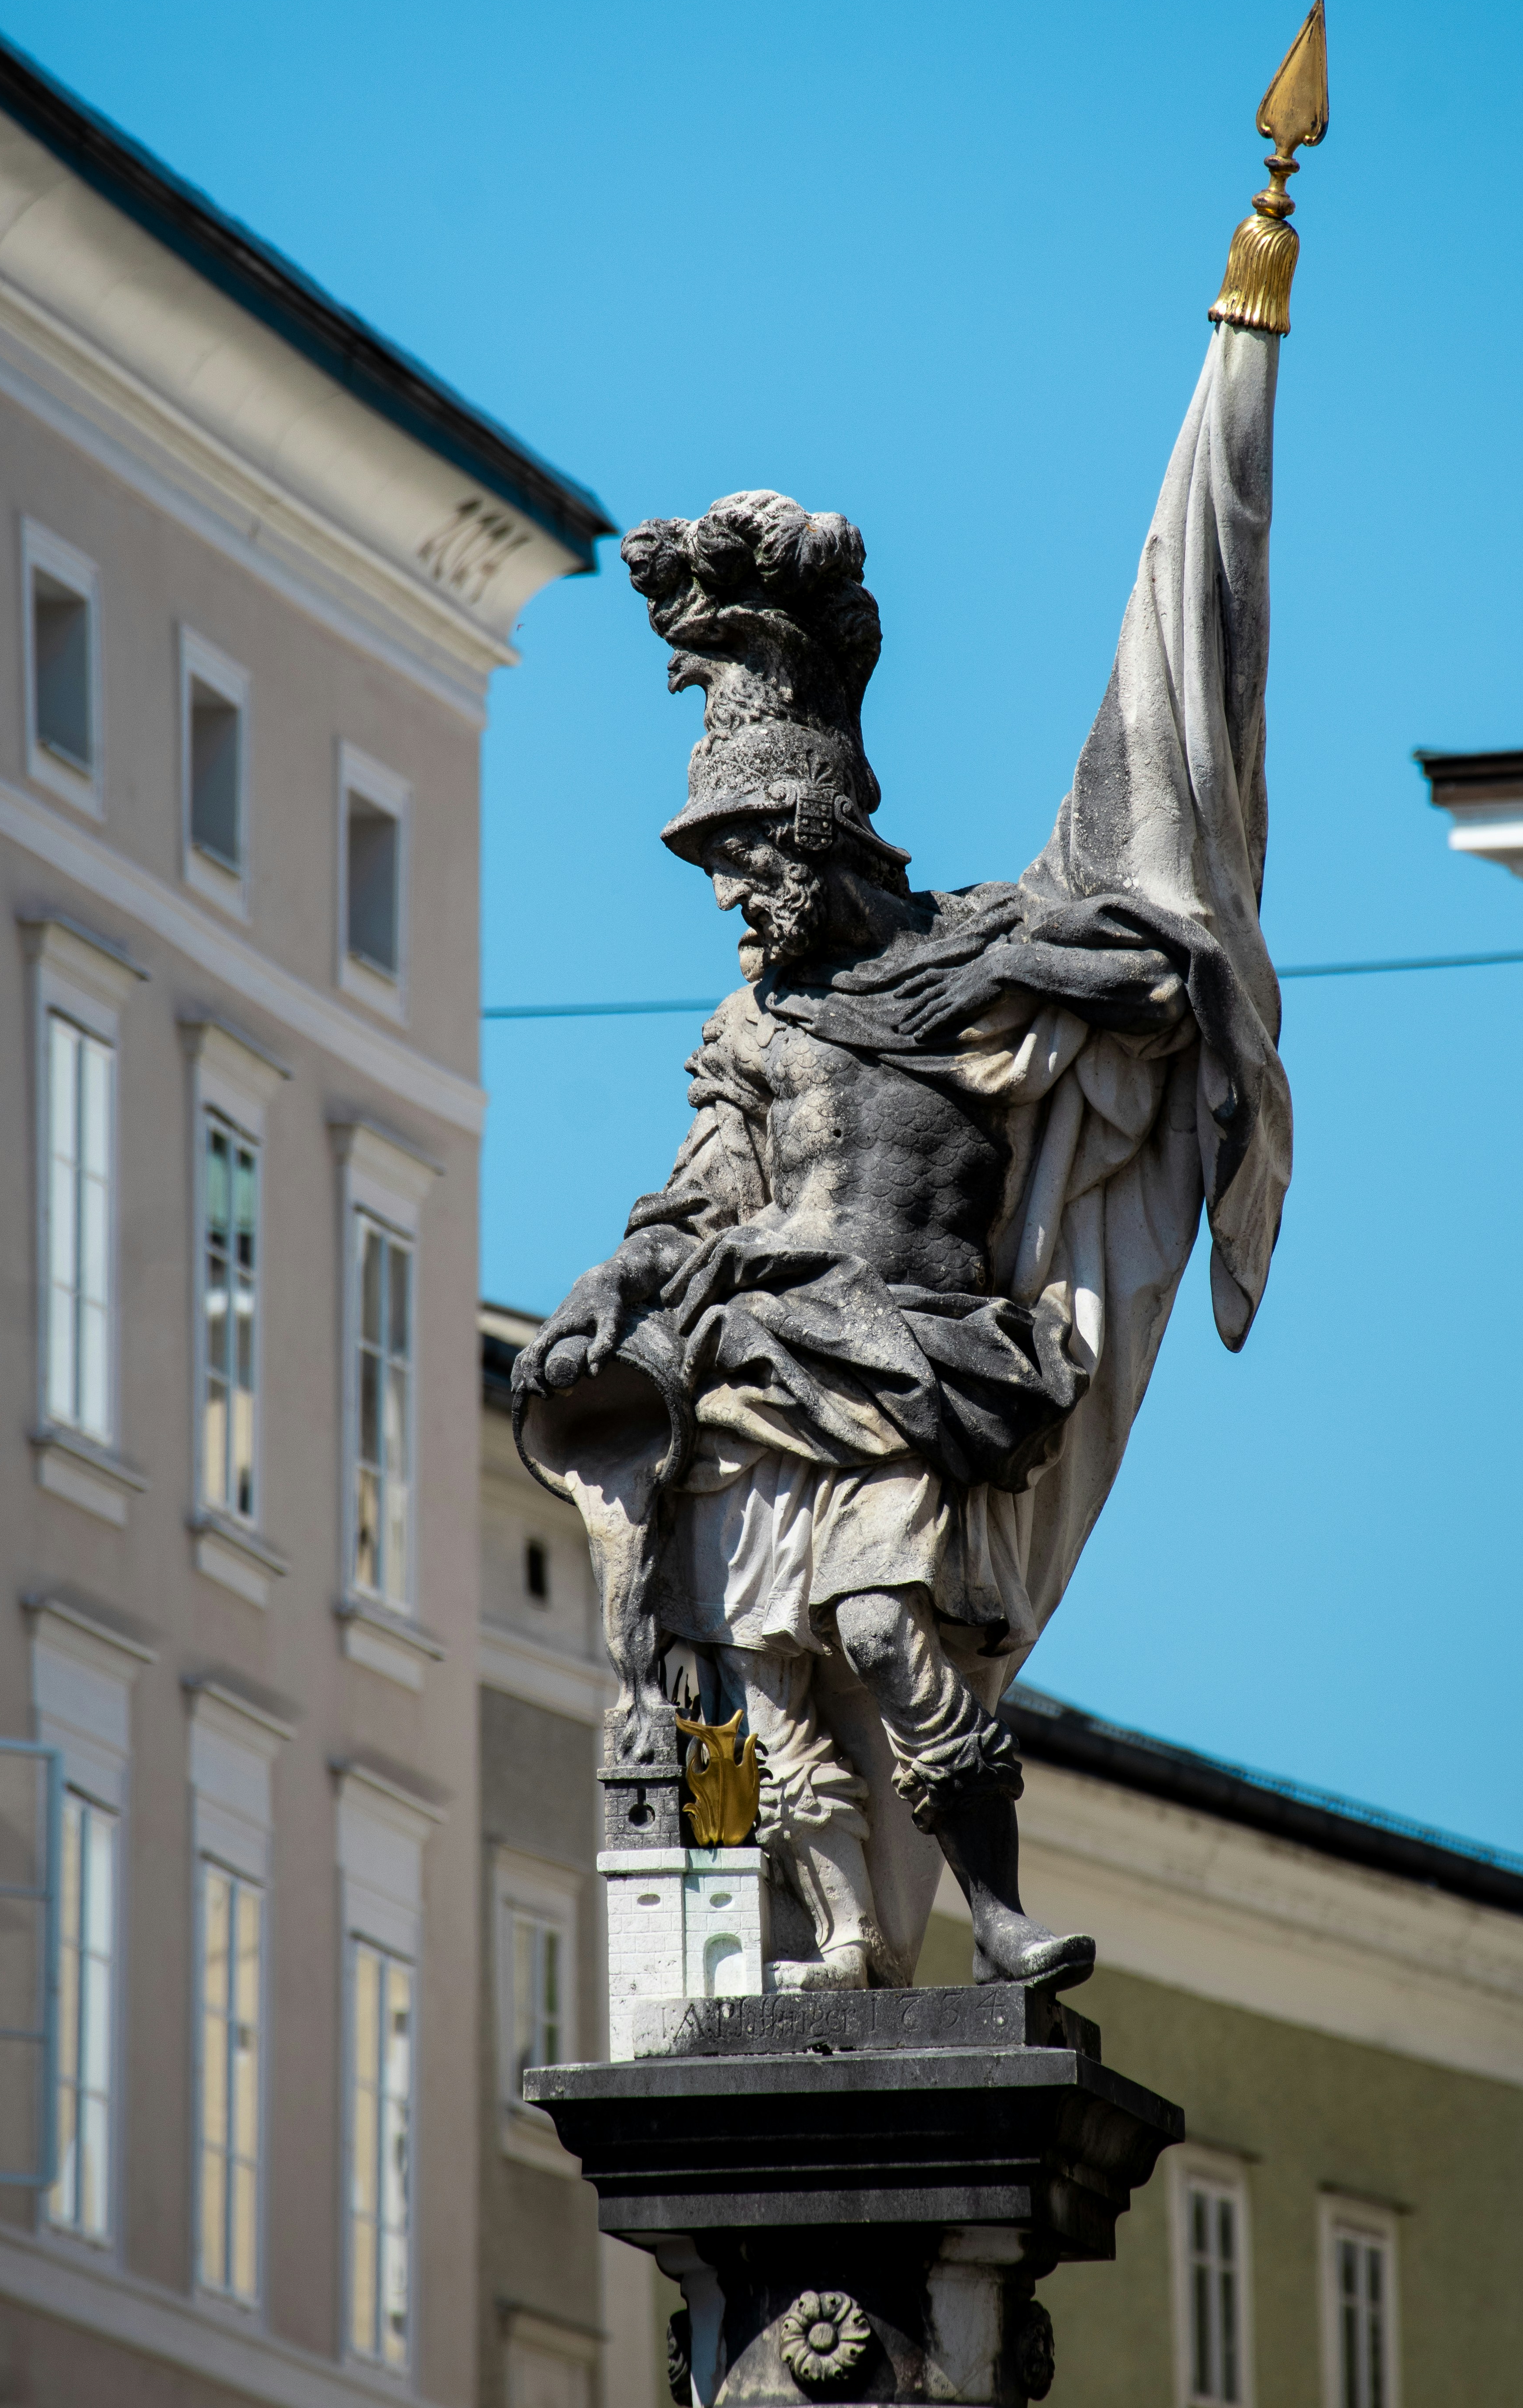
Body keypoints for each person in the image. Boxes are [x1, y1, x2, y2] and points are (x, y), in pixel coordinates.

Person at [517, 320, 1293, 1993]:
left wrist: (1088, 958)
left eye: (744, 861)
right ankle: (818, 1939)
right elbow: (692, 1205)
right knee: (743, 1683)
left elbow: (1150, 972)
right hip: (750, 1374)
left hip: (918, 1365)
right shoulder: (758, 1036)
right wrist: (607, 1296)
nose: (728, 898)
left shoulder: (969, 968)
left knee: (883, 1627)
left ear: (817, 836)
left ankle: (993, 1915)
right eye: (714, 870)